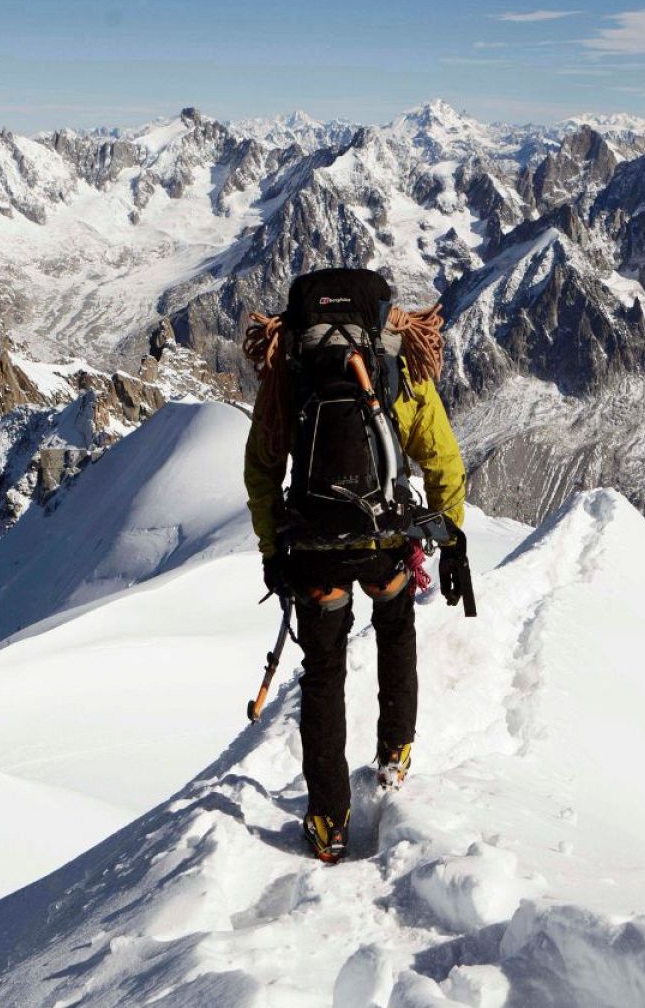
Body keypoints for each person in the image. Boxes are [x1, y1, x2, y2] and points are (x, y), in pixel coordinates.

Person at [242, 267, 471, 864]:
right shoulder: (394, 360)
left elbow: (262, 469)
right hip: (383, 539)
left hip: (314, 542)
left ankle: (327, 819)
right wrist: (451, 536)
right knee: (395, 628)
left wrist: (272, 550)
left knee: (323, 671)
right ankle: (395, 752)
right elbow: (442, 459)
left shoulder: (291, 363)